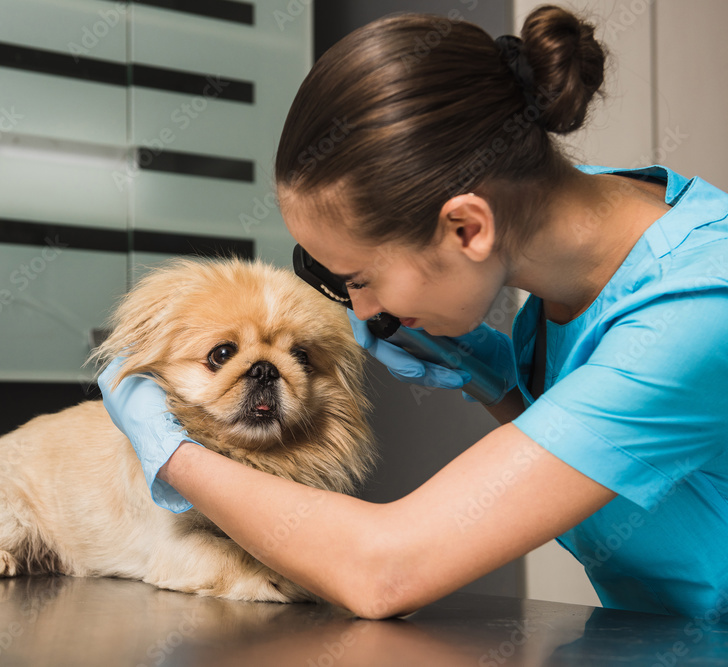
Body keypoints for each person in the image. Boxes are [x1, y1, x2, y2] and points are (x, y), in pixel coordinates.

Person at [100, 5, 728, 620]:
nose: (364, 311)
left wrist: (171, 453)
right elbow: (612, 468)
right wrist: (495, 377)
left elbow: (385, 571)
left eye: (359, 279)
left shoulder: (698, 309)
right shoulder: (569, 227)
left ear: (466, 227)